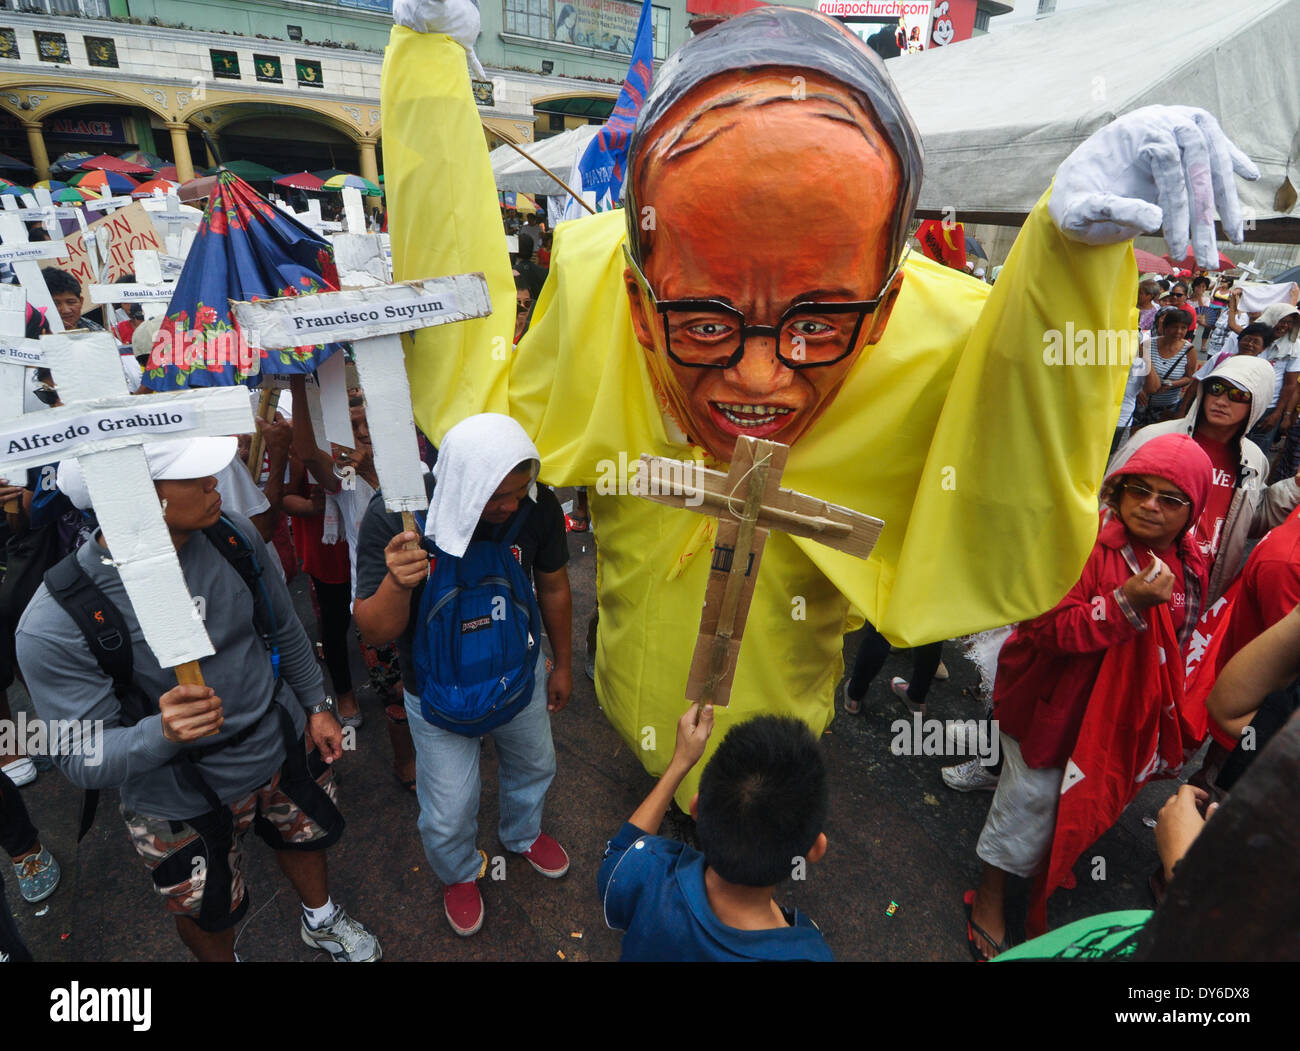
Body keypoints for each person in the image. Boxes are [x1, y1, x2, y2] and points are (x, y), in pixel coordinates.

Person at [386, 1, 1257, 806]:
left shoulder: (936, 332)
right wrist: (428, 74)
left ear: (882, 313)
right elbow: (474, 402)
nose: (759, 377)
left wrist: (1068, 263)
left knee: (741, 850)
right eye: (702, 317)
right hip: (630, 694)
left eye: (818, 320)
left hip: (775, 736)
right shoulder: (593, 287)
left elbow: (1008, 529)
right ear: (637, 296)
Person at [15, 437, 380, 962]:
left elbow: (283, 626)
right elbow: (79, 755)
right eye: (193, 476)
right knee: (207, 907)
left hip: (278, 744)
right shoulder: (55, 623)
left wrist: (317, 705)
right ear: (134, 498)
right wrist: (158, 732)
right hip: (175, 797)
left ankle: (321, 918)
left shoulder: (230, 535)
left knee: (305, 837)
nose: (215, 482)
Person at [966, 434, 1211, 959]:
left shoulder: (1189, 564)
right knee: (1026, 802)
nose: (1150, 505)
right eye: (1140, 490)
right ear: (1118, 490)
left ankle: (1047, 866)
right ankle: (989, 897)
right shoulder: (1080, 542)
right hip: (1052, 706)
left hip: (1117, 715)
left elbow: (1178, 644)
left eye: (1170, 499)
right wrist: (1126, 602)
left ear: (1193, 511)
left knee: (1083, 799)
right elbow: (1043, 628)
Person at [352, 413, 572, 937]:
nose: (509, 506)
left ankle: (521, 834)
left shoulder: (536, 507)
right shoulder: (399, 516)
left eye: (519, 491)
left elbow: (556, 586)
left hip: (518, 676)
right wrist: (398, 585)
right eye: (495, 495)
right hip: (435, 693)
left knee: (536, 765)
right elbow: (375, 630)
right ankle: (457, 873)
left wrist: (561, 664)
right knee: (449, 810)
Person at [598, 706, 833, 961]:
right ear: (815, 849)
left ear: (696, 808)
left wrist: (680, 763)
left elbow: (619, 853)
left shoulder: (650, 873)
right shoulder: (808, 953)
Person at [1110, 355, 1299, 604]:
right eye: (1216, 388)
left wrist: (1293, 488)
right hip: (1133, 576)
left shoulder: (1253, 459)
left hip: (1200, 587)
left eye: (1238, 395)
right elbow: (1108, 505)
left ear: (1258, 402)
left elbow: (1250, 520)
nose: (1222, 401)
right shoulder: (1154, 438)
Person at [1138, 306, 1196, 425]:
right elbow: (1134, 373)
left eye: (1183, 328)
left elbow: (1188, 377)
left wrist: (1171, 384)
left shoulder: (1189, 349)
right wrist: (1138, 390)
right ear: (1165, 327)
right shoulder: (1147, 345)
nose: (1178, 331)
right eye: (1174, 327)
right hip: (1140, 403)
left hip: (1166, 408)